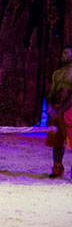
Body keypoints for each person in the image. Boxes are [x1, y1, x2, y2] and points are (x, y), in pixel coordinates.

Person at [45, 45, 72, 179]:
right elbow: (50, 93)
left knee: (71, 139)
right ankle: (57, 168)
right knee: (56, 141)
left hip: (69, 109)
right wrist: (49, 107)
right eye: (62, 53)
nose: (63, 56)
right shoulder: (57, 73)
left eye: (66, 53)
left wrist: (60, 110)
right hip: (56, 109)